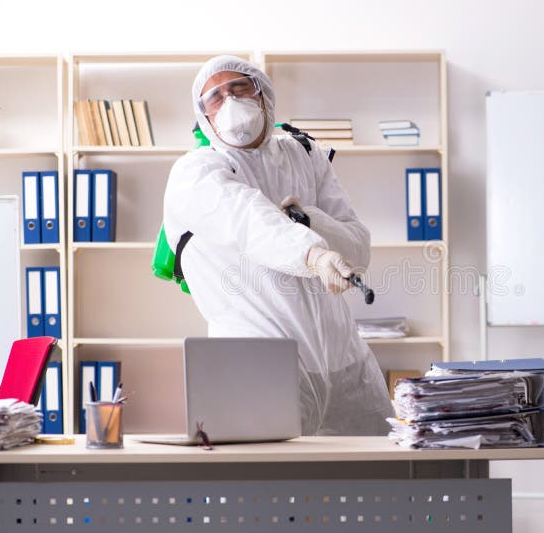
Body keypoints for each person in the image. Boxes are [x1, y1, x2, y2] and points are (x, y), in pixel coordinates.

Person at [163, 55, 394, 435]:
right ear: (203, 115)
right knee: (265, 486)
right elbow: (247, 218)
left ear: (264, 95)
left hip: (346, 365)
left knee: (383, 479)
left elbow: (358, 247)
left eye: (239, 88)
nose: (231, 101)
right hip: (259, 367)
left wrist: (310, 219)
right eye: (215, 97)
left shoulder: (305, 154)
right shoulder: (196, 171)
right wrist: (312, 253)